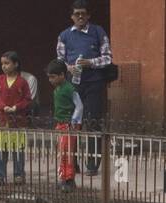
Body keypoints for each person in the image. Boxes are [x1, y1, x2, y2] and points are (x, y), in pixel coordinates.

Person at [55, 3, 112, 175]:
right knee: (72, 123)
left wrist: (90, 62)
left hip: (94, 82)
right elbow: (59, 59)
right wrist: (68, 67)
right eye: (77, 14)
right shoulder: (64, 35)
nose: (80, 17)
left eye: (83, 14)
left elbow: (108, 57)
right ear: (72, 17)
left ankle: (92, 164)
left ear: (88, 16)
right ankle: (73, 163)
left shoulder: (98, 31)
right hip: (73, 84)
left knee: (93, 122)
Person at [0, 51, 32, 184]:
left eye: (7, 63)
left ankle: (19, 175)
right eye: (2, 63)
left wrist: (16, 107)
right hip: (1, 120)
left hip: (18, 121)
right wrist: (2, 106)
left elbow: (28, 99)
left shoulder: (22, 82)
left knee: (18, 150)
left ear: (16, 64)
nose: (4, 66)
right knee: (0, 150)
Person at [47, 60, 84, 191]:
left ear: (62, 75)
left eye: (53, 77)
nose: (51, 80)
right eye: (49, 77)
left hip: (69, 124)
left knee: (68, 153)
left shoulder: (70, 89)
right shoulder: (57, 89)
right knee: (62, 152)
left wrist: (73, 121)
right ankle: (63, 177)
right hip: (60, 123)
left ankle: (69, 180)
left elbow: (79, 106)